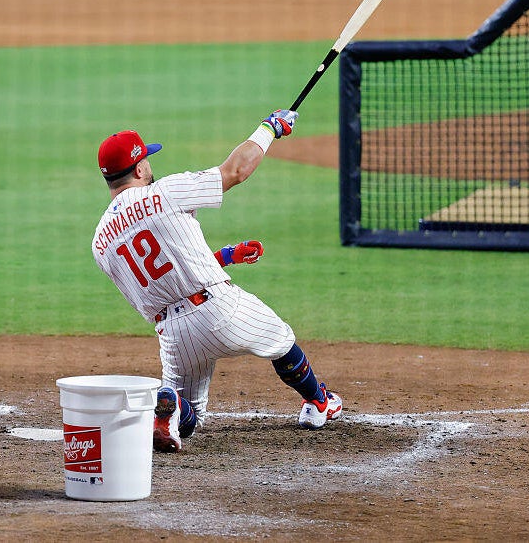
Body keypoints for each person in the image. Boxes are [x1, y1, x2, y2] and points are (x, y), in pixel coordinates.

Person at [91, 111, 343, 453]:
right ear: (138, 169)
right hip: (219, 309)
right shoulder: (166, 192)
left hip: (173, 334)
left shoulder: (100, 242)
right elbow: (235, 171)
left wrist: (224, 257)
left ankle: (172, 406)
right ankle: (319, 403)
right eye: (147, 159)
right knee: (281, 340)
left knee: (191, 415)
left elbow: (163, 275)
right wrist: (269, 129)